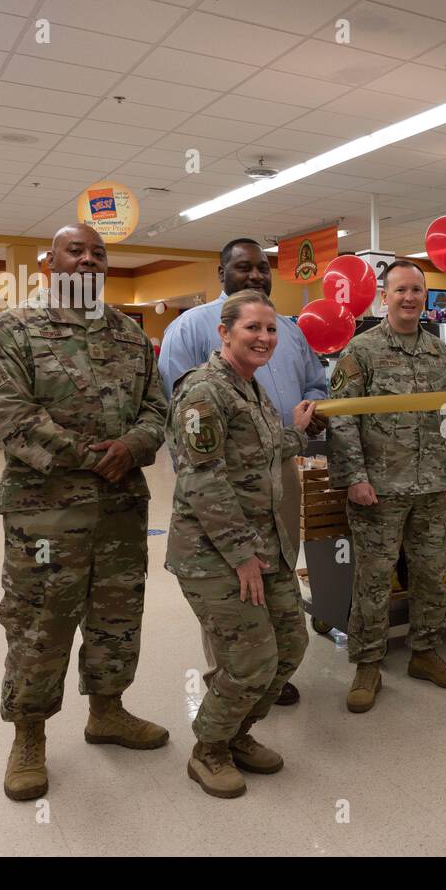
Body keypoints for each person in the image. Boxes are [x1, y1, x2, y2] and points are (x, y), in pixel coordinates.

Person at [0, 223, 169, 802]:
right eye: (74, 251)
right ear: (49, 263)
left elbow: (158, 407)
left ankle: (107, 710)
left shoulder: (130, 336)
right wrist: (90, 457)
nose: (87, 260)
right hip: (45, 513)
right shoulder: (15, 329)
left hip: (121, 510)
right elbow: (4, 410)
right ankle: (28, 735)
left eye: (97, 253)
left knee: (117, 614)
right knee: (39, 621)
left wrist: (134, 446)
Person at [158, 237, 327, 707]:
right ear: (221, 272)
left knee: (274, 567)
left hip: (282, 469)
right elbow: (176, 408)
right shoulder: (189, 328)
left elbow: (316, 383)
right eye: (243, 267)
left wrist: (316, 408)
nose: (255, 275)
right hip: (221, 480)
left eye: (262, 268)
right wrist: (194, 482)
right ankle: (228, 673)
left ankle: (267, 667)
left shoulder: (289, 329)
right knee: (232, 577)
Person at [166, 291, 316, 798]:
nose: (265, 338)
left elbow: (267, 450)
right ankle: (208, 749)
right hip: (215, 555)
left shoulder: (248, 389)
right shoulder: (203, 393)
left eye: (271, 330)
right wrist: (242, 557)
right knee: (249, 660)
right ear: (224, 332)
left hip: (262, 546)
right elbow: (202, 480)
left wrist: (299, 430)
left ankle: (238, 734)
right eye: (253, 328)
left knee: (291, 645)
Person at [328, 260, 446, 713]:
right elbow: (341, 418)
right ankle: (368, 663)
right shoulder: (362, 350)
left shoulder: (439, 353)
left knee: (432, 575)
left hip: (432, 486)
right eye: (400, 290)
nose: (409, 298)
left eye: (417, 290)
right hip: (380, 489)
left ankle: (426, 653)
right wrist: (354, 478)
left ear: (425, 296)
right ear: (383, 296)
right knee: (373, 580)